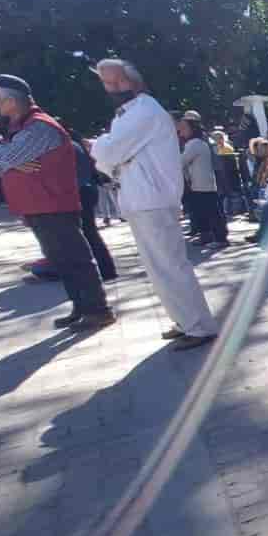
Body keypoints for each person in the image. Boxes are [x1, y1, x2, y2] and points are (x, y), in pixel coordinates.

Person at [89, 59, 218, 349]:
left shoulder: (145, 111)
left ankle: (198, 326)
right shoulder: (127, 114)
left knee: (170, 266)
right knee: (158, 268)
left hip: (153, 200)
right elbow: (112, 161)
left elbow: (109, 152)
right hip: (140, 199)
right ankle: (185, 321)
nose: (112, 88)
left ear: (133, 80)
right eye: (106, 83)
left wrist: (99, 147)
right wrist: (108, 152)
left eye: (117, 81)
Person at [0, 74, 114, 331]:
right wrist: (11, 162)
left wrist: (10, 162)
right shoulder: (17, 129)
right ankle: (82, 306)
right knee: (61, 261)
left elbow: (0, 162)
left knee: (75, 259)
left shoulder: (39, 126)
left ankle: (98, 310)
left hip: (53, 203)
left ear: (11, 100)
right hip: (37, 204)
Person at [70, 133, 118, 282]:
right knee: (90, 233)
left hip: (81, 192)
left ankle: (95, 272)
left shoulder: (67, 147)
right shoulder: (77, 146)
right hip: (87, 190)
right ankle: (107, 270)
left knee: (85, 234)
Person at [177, 115, 226, 250]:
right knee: (201, 212)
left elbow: (181, 162)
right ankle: (206, 236)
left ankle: (220, 238)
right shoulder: (196, 143)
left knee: (211, 213)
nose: (181, 131)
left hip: (203, 185)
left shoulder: (195, 144)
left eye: (184, 128)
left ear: (192, 129)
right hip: (199, 184)